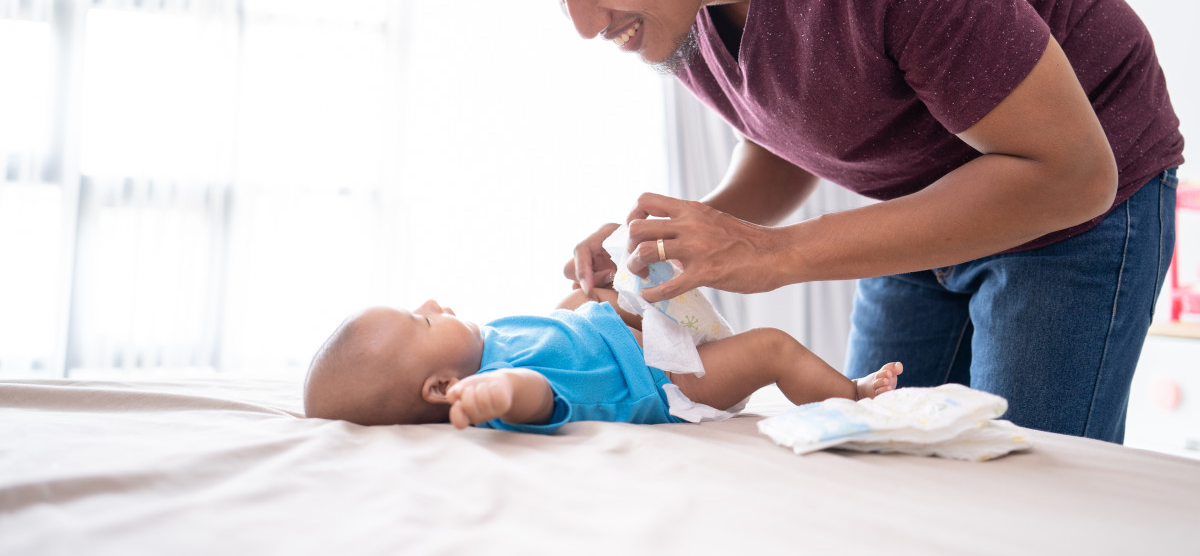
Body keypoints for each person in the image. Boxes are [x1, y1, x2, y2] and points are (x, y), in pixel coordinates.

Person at [476, 0, 1184, 443]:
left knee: (1028, 511)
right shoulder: (677, 9)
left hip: (1073, 202)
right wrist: (683, 245)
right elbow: (799, 121)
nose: (584, 25)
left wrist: (774, 253)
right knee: (870, 447)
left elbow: (1073, 173)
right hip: (918, 197)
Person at [303, 288, 902, 431]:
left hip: (648, 343)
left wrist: (588, 297)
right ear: (442, 388)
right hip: (668, 385)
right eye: (424, 321)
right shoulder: (494, 382)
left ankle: (851, 393)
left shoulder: (491, 337)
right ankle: (852, 396)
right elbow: (541, 393)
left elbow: (561, 329)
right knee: (772, 348)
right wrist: (502, 395)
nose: (434, 303)